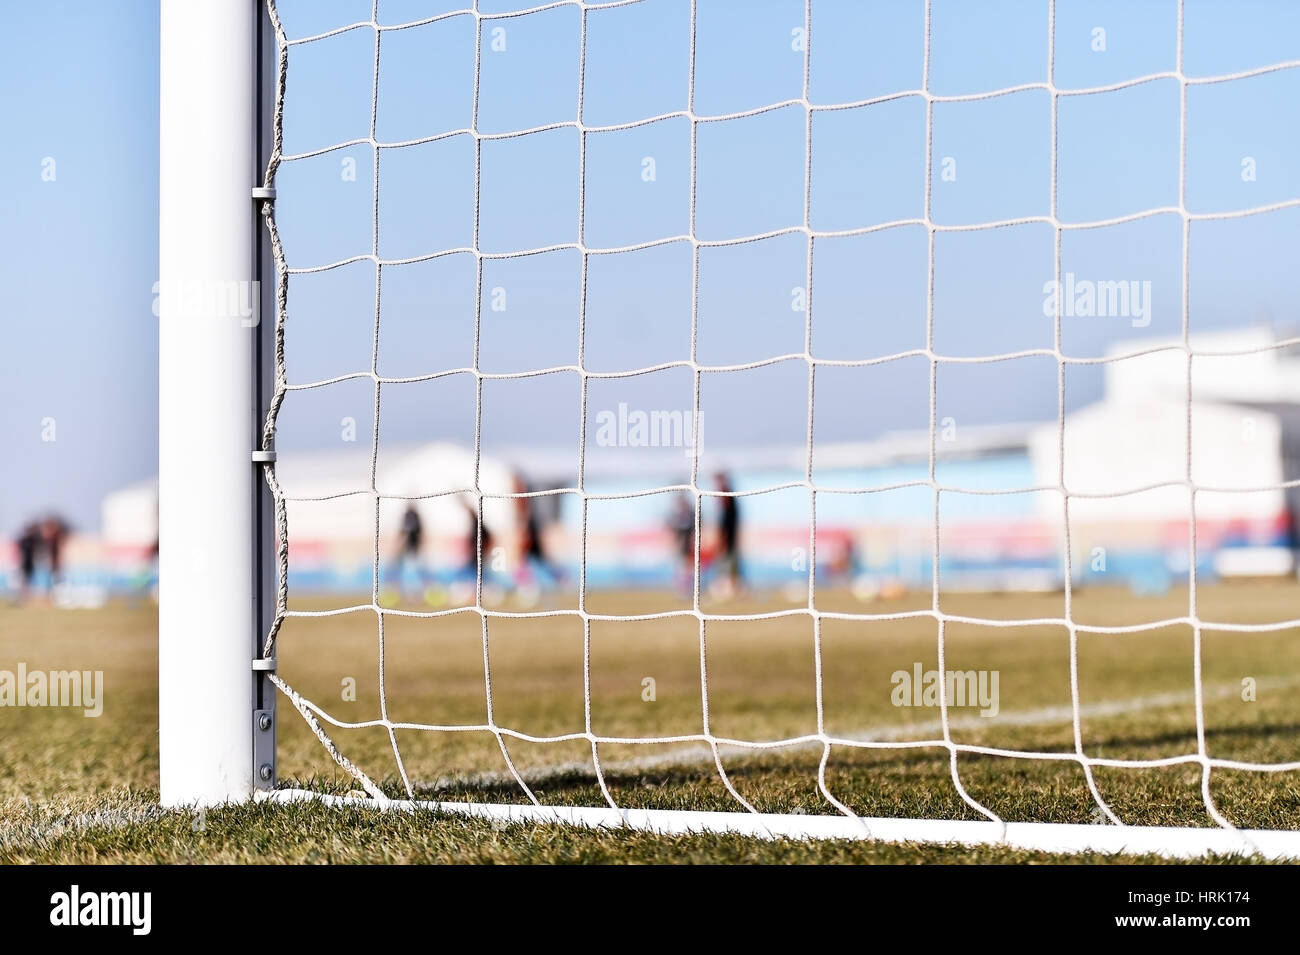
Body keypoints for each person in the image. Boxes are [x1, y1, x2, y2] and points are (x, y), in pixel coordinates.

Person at [712, 472, 743, 598]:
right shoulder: (726, 497)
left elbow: (729, 519)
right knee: (727, 561)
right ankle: (729, 587)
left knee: (728, 561)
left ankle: (730, 588)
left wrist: (723, 537)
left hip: (729, 538)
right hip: (728, 537)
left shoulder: (727, 495)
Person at [669, 492, 695, 598]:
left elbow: (694, 529)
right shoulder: (676, 516)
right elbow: (674, 531)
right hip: (681, 547)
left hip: (689, 547)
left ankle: (688, 589)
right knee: (680, 568)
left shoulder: (691, 514)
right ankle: (681, 590)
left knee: (688, 568)